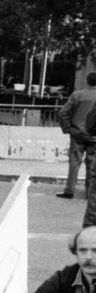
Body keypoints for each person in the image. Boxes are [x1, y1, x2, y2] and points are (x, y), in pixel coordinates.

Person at [58, 72, 96, 202]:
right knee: (92, 165)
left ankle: (69, 191)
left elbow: (63, 112)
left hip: (77, 133)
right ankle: (89, 193)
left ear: (87, 81)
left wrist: (67, 128)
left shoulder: (77, 95)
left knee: (74, 163)